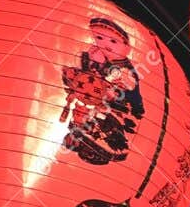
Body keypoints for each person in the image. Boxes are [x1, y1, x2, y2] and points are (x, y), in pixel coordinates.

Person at [61, 17, 144, 166]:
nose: (105, 44)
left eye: (113, 41)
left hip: (103, 103)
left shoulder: (124, 68)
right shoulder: (90, 56)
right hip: (89, 100)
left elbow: (127, 88)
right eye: (99, 38)